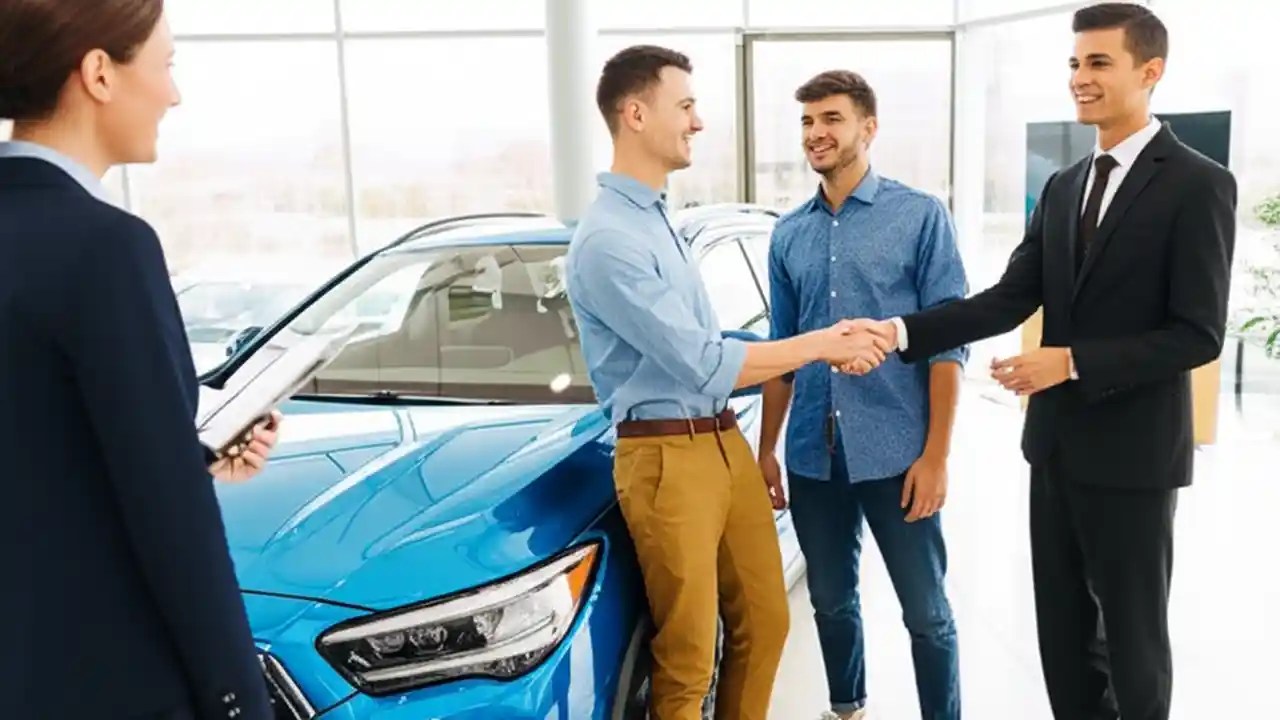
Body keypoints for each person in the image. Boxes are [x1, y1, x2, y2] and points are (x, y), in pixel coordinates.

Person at [861, 5, 1237, 719]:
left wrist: (1068, 363)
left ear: (1149, 72)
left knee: (1133, 642)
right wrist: (899, 331)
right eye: (1074, 63)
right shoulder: (1065, 186)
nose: (1079, 79)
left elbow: (1197, 335)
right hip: (1056, 452)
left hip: (1134, 459)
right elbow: (1007, 299)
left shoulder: (1199, 184)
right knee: (1062, 638)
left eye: (1098, 63)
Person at [565, 45, 894, 720]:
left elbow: (717, 345)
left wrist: (806, 348)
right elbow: (703, 363)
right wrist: (823, 345)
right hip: (664, 458)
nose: (698, 122)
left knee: (767, 622)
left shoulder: (655, 218)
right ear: (635, 114)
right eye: (684, 105)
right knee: (688, 654)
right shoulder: (607, 241)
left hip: (721, 445)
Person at [1, 2, 284, 718]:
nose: (173, 94)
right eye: (164, 66)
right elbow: (172, 523)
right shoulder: (105, 247)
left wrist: (197, 457)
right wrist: (237, 701)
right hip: (101, 678)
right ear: (99, 72)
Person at [758, 70, 967, 720]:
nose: (816, 134)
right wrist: (767, 448)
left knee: (927, 612)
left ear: (867, 128)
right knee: (828, 598)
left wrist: (936, 456)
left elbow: (949, 342)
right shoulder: (788, 233)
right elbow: (780, 351)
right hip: (813, 455)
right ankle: (846, 709)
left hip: (898, 452)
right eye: (807, 122)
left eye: (831, 119)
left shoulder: (919, 217)